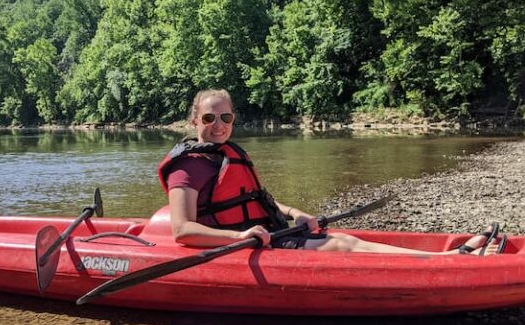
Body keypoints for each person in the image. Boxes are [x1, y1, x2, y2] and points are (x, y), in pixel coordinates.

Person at [158, 88, 506, 255]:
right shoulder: (188, 166)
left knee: (344, 239)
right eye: (209, 118)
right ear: (194, 121)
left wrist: (296, 213)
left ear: (233, 119)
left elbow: (259, 200)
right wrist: (239, 237)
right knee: (342, 243)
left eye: (226, 117)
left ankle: (446, 257)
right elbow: (183, 230)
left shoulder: (226, 154)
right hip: (238, 244)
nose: (218, 124)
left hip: (266, 234)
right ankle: (450, 259)